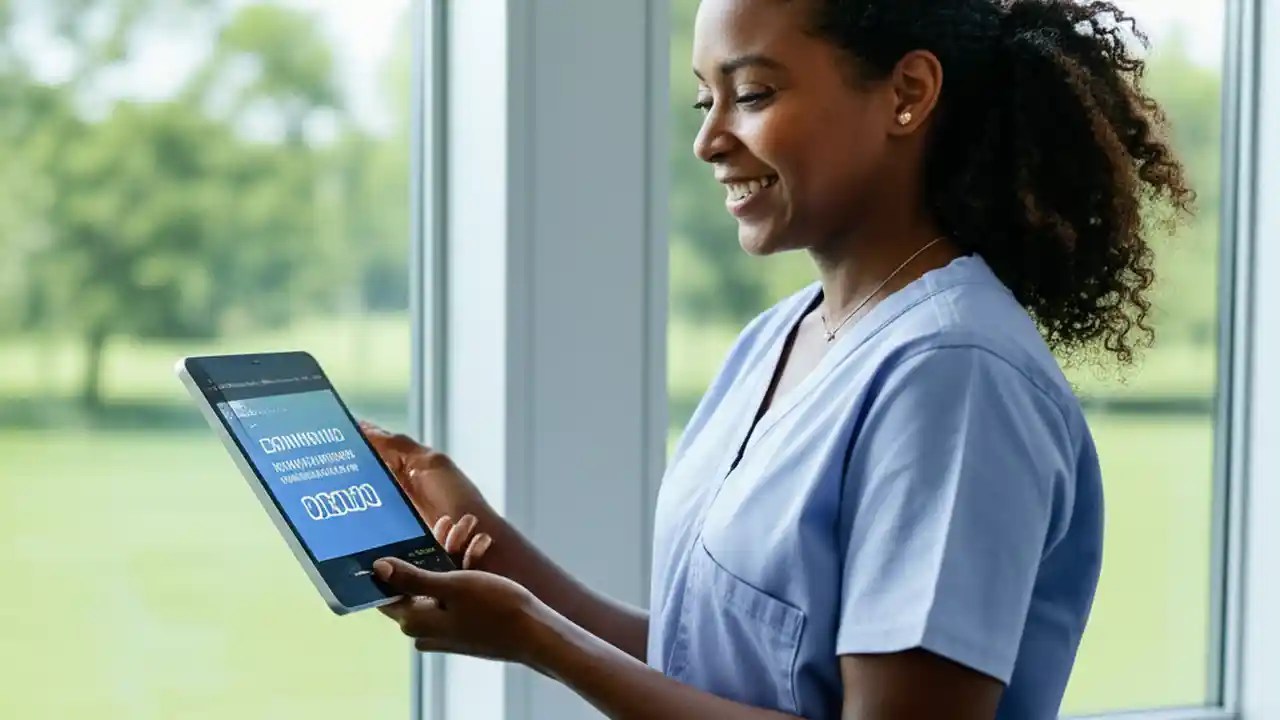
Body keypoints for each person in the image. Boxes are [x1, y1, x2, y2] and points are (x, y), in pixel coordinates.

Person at [360, 0, 1193, 717]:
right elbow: (714, 667)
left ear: (907, 94)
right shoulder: (779, 338)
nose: (710, 140)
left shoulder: (956, 375)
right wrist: (496, 555)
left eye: (752, 94)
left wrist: (540, 641)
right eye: (703, 100)